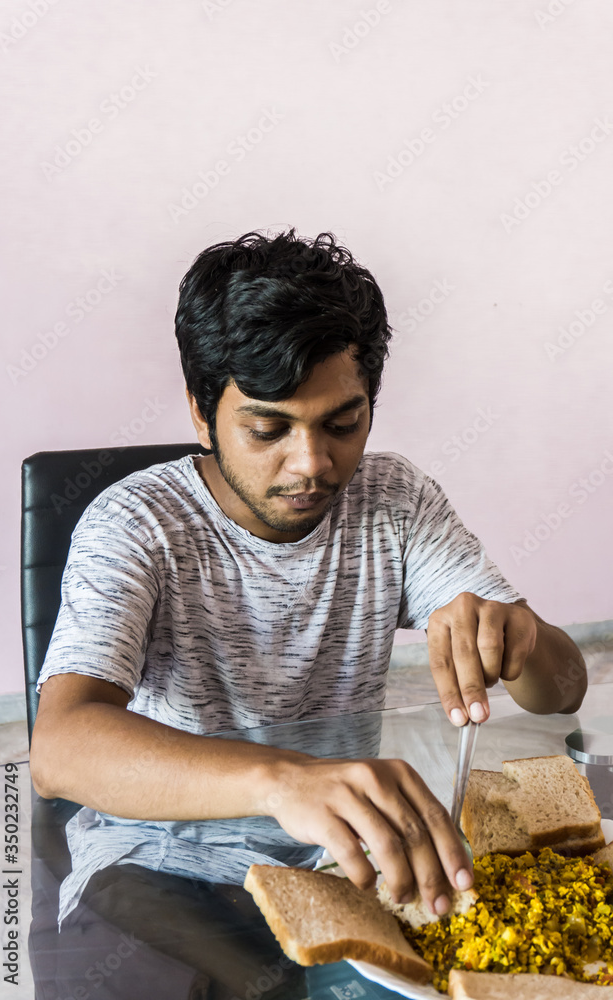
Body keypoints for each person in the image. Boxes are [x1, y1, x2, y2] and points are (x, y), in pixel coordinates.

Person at [30, 228, 587, 936]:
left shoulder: (394, 500)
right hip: (156, 866)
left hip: (345, 864)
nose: (312, 465)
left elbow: (563, 690)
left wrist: (521, 636)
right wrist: (284, 780)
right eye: (269, 429)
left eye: (343, 424)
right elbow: (60, 749)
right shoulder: (137, 523)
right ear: (202, 412)